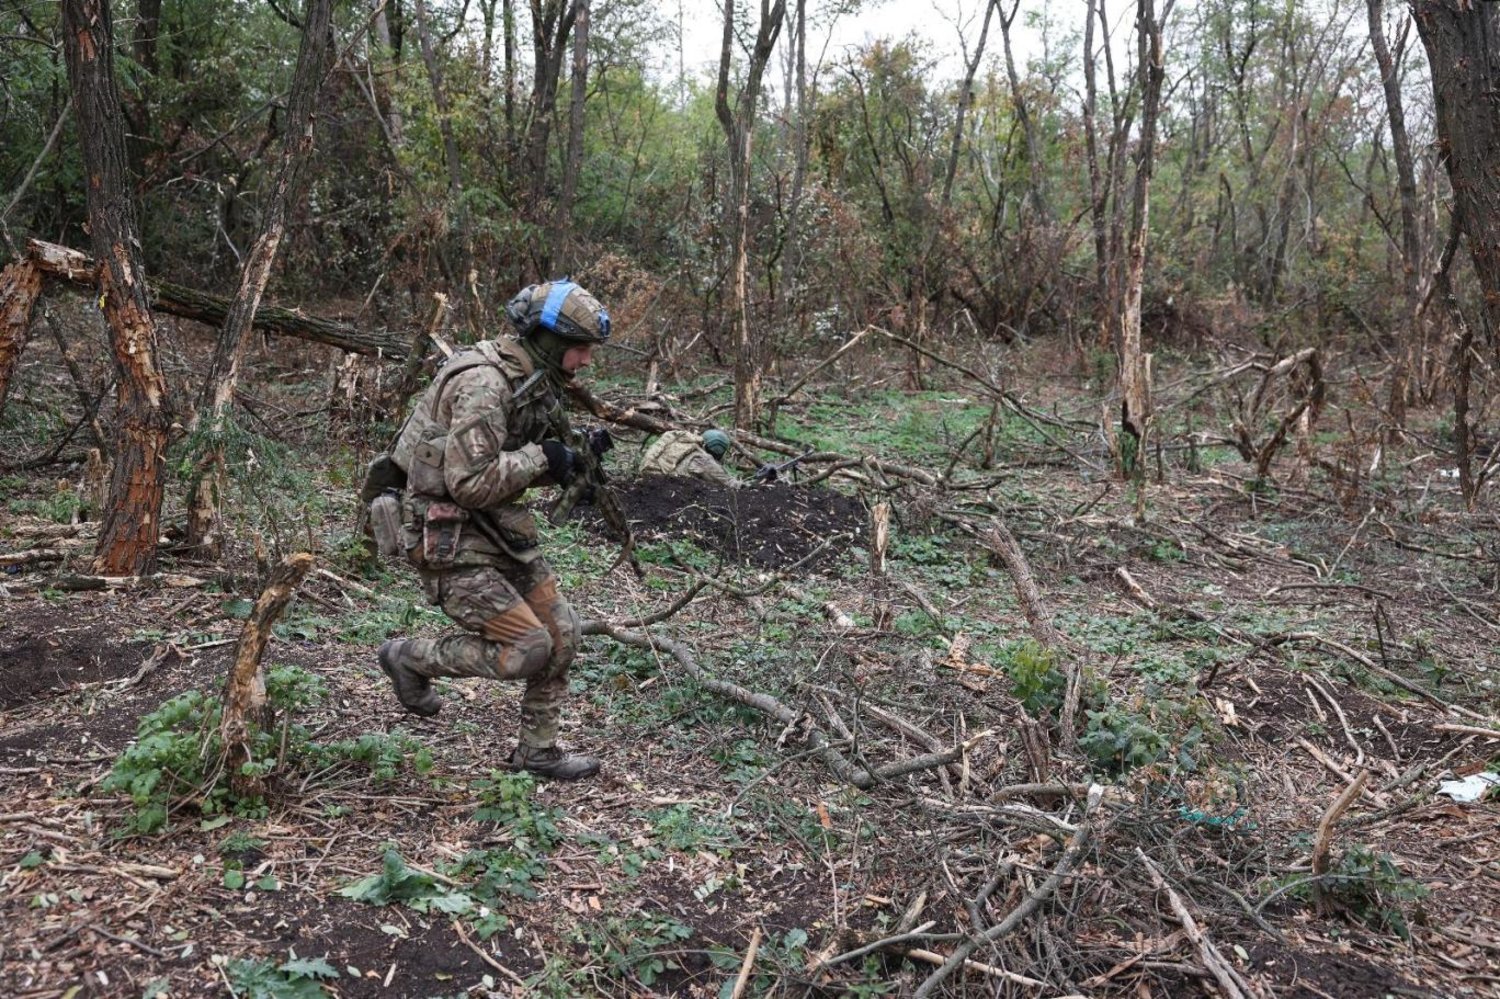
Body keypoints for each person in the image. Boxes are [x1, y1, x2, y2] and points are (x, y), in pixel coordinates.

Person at [376, 280, 613, 780]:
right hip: (450, 538)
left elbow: (515, 462)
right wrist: (540, 457)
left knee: (562, 634)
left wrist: (567, 463)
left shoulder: (530, 377)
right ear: (550, 341)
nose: (586, 361)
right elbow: (468, 483)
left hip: (498, 528)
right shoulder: (485, 385)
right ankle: (410, 659)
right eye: (580, 349)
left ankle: (538, 751)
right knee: (527, 649)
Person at [637, 428, 740, 488]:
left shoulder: (683, 444)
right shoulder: (703, 459)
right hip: (664, 488)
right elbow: (729, 483)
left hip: (648, 479)